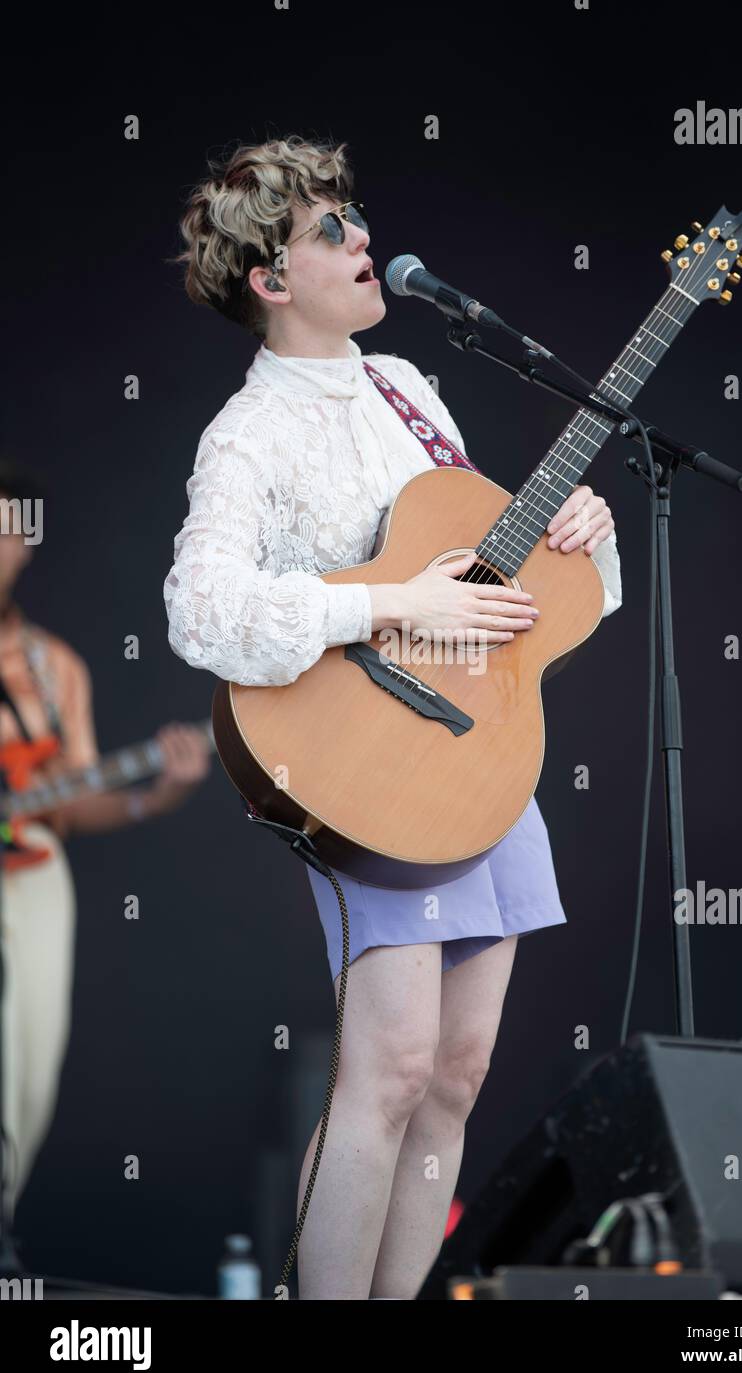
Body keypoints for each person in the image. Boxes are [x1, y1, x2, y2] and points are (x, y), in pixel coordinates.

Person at [164, 134, 623, 1299]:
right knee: (391, 1064)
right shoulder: (248, 434)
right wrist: (388, 603)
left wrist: (579, 542)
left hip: (477, 750)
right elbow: (200, 609)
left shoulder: (408, 390)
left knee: (458, 1074)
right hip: (371, 763)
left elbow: (470, 586)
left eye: (355, 215)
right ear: (270, 279)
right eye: (332, 230)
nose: (364, 239)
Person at [0, 464, 211, 1220]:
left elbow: (75, 799)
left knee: (27, 1064)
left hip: (28, 868)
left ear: (26, 545)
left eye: (6, 529)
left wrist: (156, 794)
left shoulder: (54, 668)